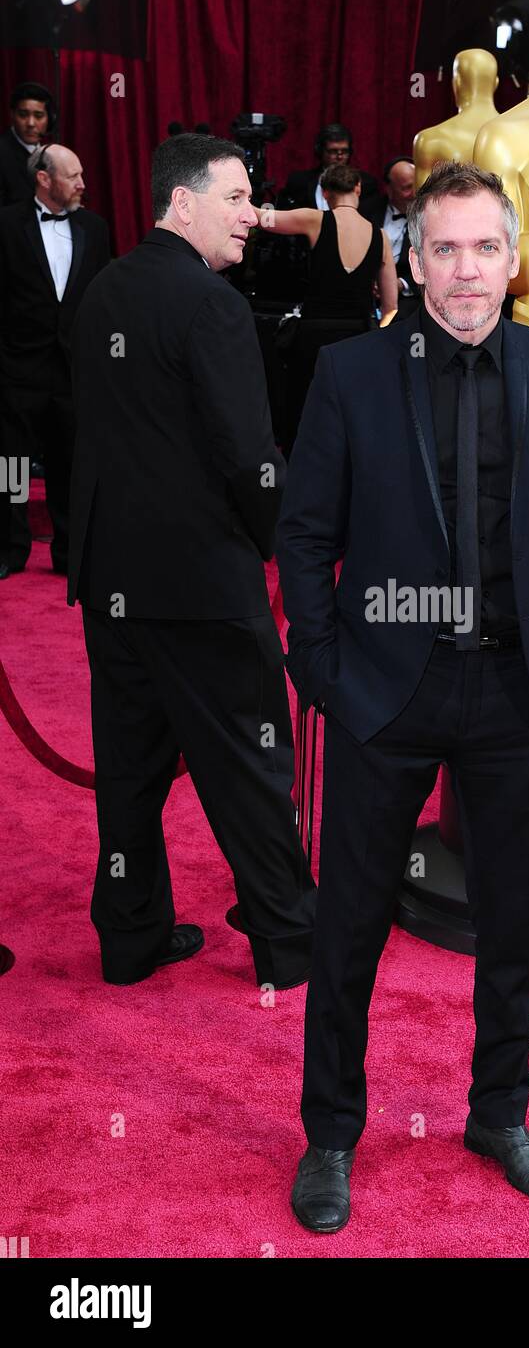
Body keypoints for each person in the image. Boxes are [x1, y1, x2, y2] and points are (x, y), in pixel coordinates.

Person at [277, 161, 529, 1233]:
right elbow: (306, 534)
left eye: (485, 248)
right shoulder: (350, 372)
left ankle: (499, 1113)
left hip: (519, 692)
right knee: (350, 926)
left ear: (514, 261)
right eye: (445, 248)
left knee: (514, 921)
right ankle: (331, 1131)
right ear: (411, 260)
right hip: (387, 690)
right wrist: (325, 671)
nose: (466, 270)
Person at [68, 133, 316, 987]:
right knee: (251, 768)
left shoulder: (101, 289)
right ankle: (290, 942)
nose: (254, 214)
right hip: (204, 583)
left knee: (129, 772)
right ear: (183, 203)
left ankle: (130, 938)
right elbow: (248, 455)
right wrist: (277, 544)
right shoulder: (212, 306)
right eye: (239, 197)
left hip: (113, 582)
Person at [0, 144, 110, 581]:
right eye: (73, 176)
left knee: (71, 465)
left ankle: (69, 553)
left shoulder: (96, 228)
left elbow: (103, 301)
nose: (83, 184)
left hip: (73, 373)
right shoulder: (6, 225)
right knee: (11, 467)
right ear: (44, 179)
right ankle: (9, 548)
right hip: (17, 372)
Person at [258, 164, 398, 452]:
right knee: (352, 421)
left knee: (306, 418)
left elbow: (265, 218)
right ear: (358, 188)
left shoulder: (314, 219)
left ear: (324, 193)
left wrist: (237, 200)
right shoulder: (380, 236)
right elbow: (391, 308)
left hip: (313, 340)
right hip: (358, 339)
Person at [364, 157, 420, 317]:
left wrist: (401, 284)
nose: (414, 193)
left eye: (416, 185)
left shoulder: (430, 217)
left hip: (409, 299)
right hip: (368, 294)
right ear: (389, 190)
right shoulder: (368, 211)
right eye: (407, 188)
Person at [281, 123, 378, 211]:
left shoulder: (366, 183)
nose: (340, 157)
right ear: (320, 151)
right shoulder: (299, 182)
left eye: (344, 151)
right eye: (333, 151)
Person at [0, 81, 55, 207]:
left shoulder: (52, 154)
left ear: (50, 119)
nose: (30, 123)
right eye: (23, 115)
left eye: (38, 116)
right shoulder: (3, 153)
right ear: (12, 115)